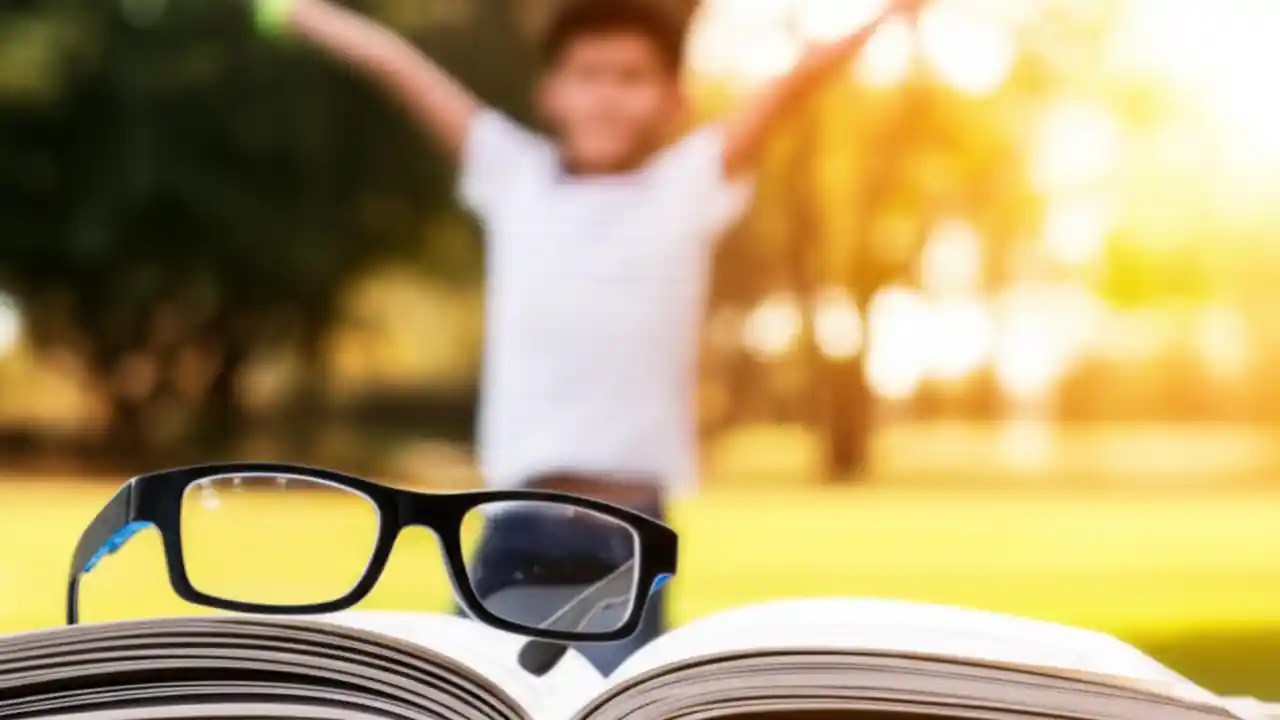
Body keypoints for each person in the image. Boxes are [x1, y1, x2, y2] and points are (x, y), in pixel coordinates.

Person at [253, 0, 917, 673]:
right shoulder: (512, 176)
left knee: (612, 704)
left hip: (628, 533)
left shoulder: (686, 187)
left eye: (631, 77)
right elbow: (398, 63)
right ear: (551, 92)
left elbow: (799, 77)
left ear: (674, 101)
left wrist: (892, 12)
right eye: (588, 74)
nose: (606, 95)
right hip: (513, 520)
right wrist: (292, 12)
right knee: (469, 695)